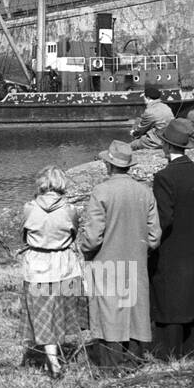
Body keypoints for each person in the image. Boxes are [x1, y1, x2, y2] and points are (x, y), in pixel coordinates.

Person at [78, 140, 160, 371]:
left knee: (108, 314)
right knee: (134, 310)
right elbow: (154, 235)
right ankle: (133, 362)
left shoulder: (101, 191)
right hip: (136, 260)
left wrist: (86, 251)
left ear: (108, 165)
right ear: (128, 166)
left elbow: (93, 237)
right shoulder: (145, 192)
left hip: (106, 262)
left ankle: (111, 367)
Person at [149, 118, 194, 360]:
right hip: (192, 245)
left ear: (166, 147)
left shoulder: (164, 177)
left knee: (168, 299)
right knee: (191, 296)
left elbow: (164, 218)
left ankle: (168, 353)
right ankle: (191, 350)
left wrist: (151, 241)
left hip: (169, 247)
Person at [20, 168, 87, 379]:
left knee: (42, 312)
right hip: (64, 264)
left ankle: (52, 357)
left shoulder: (29, 208)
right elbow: (74, 233)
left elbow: (24, 235)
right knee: (63, 310)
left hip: (37, 266)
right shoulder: (70, 210)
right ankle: (58, 355)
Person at [129, 85, 174, 150]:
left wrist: (133, 133)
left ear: (148, 98)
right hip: (169, 139)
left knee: (132, 145)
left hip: (157, 141)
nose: (143, 99)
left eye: (144, 97)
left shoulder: (149, 111)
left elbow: (141, 129)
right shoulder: (166, 107)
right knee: (139, 120)